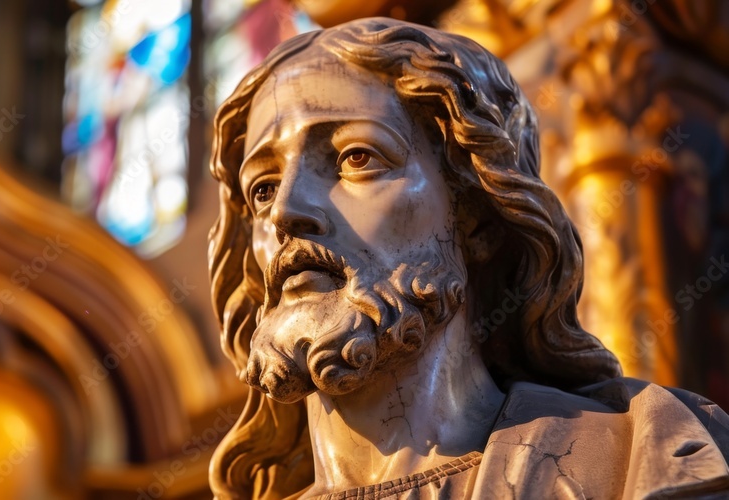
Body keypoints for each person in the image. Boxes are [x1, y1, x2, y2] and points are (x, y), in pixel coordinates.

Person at [207, 17, 729, 499]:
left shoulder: (650, 457)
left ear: (476, 215)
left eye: (356, 158)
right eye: (263, 188)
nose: (286, 212)